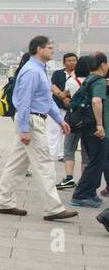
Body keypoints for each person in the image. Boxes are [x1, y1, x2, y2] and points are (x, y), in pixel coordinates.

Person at [0, 35, 75, 221]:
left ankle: (3, 202)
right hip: (31, 121)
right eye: (50, 47)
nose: (52, 51)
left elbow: (45, 99)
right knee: (44, 164)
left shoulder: (39, 69)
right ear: (39, 49)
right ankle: (53, 208)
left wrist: (59, 120)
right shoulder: (31, 71)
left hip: (34, 119)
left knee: (17, 164)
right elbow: (24, 101)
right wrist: (24, 129)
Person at [71, 53, 107, 212]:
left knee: (95, 159)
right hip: (95, 128)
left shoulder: (88, 80)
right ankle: (81, 195)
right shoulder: (99, 81)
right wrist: (100, 125)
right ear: (102, 65)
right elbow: (96, 100)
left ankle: (90, 192)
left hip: (86, 126)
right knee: (96, 161)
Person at [52, 52, 82, 189]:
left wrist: (67, 99)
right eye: (69, 60)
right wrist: (63, 98)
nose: (72, 63)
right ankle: (54, 154)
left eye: (74, 60)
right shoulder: (58, 74)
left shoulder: (79, 75)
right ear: (64, 62)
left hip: (73, 112)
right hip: (59, 107)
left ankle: (63, 156)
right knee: (54, 132)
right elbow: (54, 86)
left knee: (68, 136)